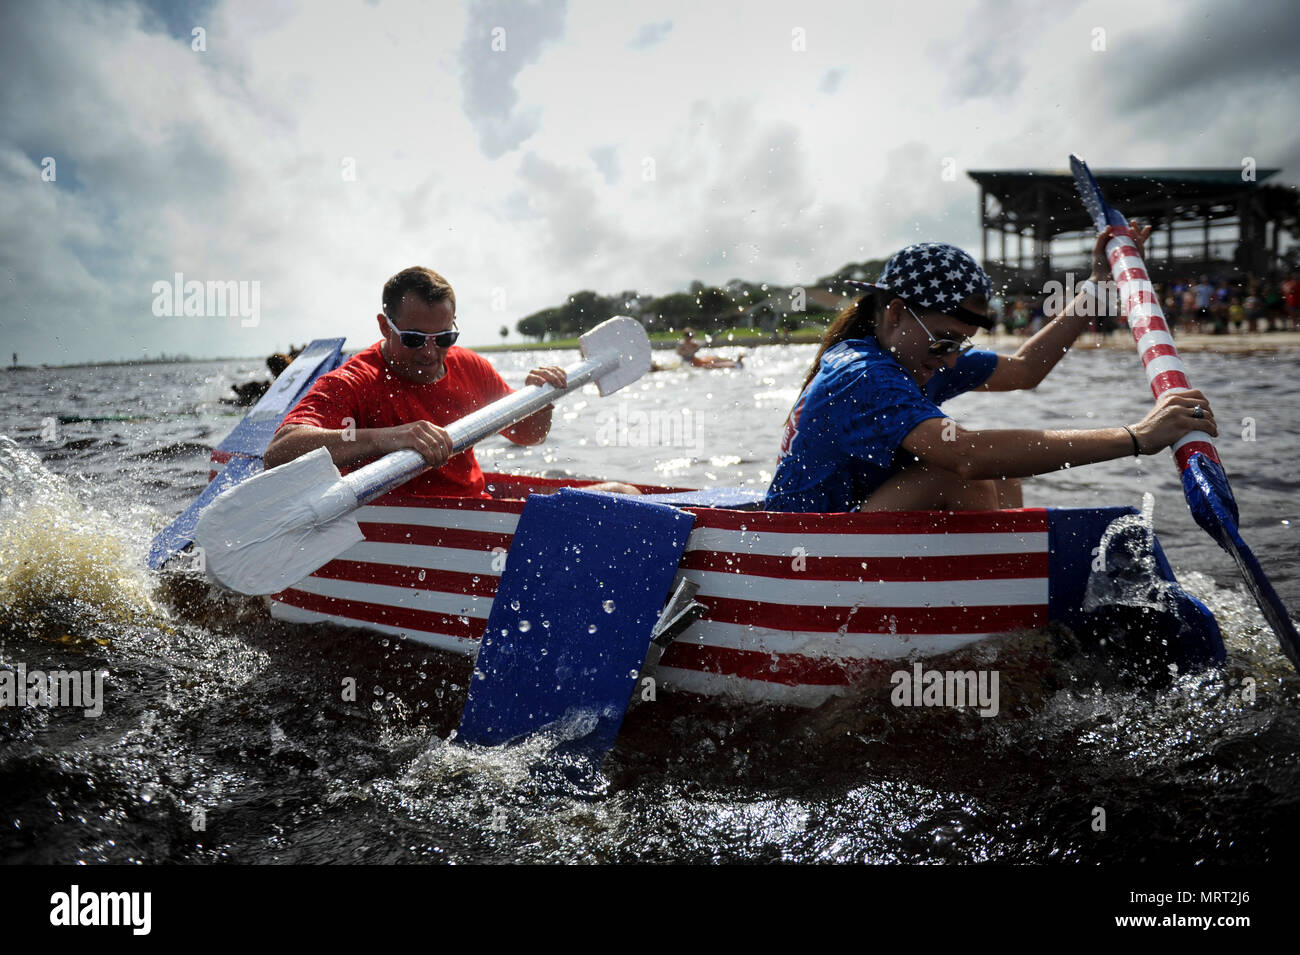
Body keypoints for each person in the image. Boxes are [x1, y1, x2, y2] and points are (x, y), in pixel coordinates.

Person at [764, 226, 1217, 513]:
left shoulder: (919, 355)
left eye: (960, 345)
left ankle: (1011, 579)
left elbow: (1024, 369)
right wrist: (1137, 437)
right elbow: (965, 456)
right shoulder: (863, 371)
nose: (948, 360)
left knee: (1003, 467)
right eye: (943, 342)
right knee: (961, 468)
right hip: (797, 549)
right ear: (897, 313)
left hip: (843, 530)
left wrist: (1096, 287)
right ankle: (1007, 605)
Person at [265, 266, 635, 497]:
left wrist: (541, 398)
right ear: (384, 327)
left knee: (624, 492)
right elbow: (279, 452)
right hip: (402, 532)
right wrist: (393, 437)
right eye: (413, 338)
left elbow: (528, 435)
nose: (429, 352)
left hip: (476, 513)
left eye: (443, 338)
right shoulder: (355, 381)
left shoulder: (470, 366)